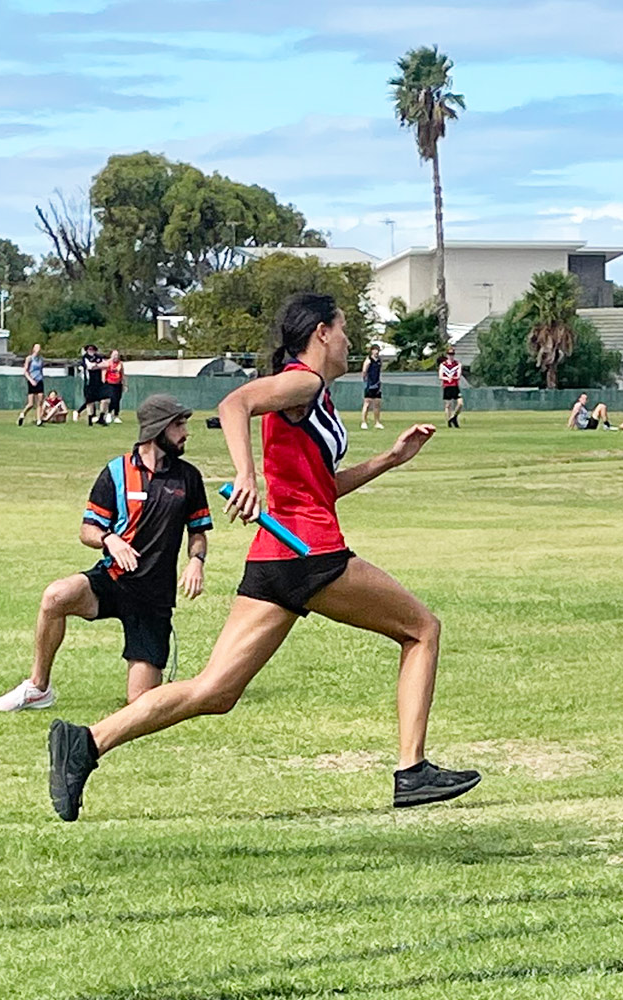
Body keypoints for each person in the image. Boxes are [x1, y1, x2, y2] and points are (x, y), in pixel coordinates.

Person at [45, 292, 480, 821]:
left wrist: (390, 458)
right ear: (321, 332)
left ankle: (85, 743)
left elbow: (321, 489)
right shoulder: (306, 380)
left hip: (276, 558)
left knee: (215, 690)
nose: (349, 342)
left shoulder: (310, 396)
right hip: (310, 552)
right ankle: (412, 771)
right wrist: (247, 475)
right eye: (344, 331)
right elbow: (234, 405)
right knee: (422, 630)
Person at [0, 394, 212, 713]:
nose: (186, 432)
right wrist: (110, 540)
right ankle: (39, 688)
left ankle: (186, 685)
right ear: (157, 430)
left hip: (153, 598)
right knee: (55, 596)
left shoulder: (188, 477)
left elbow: (198, 532)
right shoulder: (117, 471)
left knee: (140, 703)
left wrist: (196, 561)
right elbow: (87, 530)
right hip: (113, 580)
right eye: (179, 424)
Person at [75, 344, 106, 424]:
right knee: (90, 401)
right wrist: (97, 366)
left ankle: (101, 418)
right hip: (89, 382)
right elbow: (89, 366)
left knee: (105, 400)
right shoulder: (85, 357)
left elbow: (105, 365)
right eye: (89, 349)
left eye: (92, 349)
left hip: (99, 382)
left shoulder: (99, 357)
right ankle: (90, 419)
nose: (91, 350)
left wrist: (96, 365)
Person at [17, 344, 45, 427]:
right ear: (33, 349)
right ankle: (23, 414)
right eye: (37, 348)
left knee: (39, 402)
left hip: (39, 380)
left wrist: (41, 378)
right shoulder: (29, 358)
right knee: (31, 404)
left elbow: (41, 370)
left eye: (39, 348)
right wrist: (31, 380)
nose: (38, 350)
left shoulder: (40, 359)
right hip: (32, 381)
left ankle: (39, 420)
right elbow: (25, 371)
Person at [439, 344, 464, 428]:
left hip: (455, 385)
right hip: (447, 386)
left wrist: (453, 377)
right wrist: (447, 378)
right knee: (448, 405)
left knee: (460, 403)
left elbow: (458, 375)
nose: (451, 356)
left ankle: (454, 417)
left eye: (452, 354)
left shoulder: (457, 364)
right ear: (447, 355)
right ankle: (449, 421)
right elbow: (440, 376)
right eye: (449, 354)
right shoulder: (443, 365)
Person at [360, 344, 384, 430]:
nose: (376, 352)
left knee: (377, 404)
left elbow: (379, 372)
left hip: (377, 384)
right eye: (375, 350)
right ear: (372, 351)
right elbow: (364, 372)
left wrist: (379, 383)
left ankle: (377, 422)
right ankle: (364, 422)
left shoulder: (379, 361)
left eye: (378, 350)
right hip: (369, 385)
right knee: (367, 404)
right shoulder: (368, 360)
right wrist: (366, 382)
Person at [102, 350, 126, 425]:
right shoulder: (108, 363)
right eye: (114, 355)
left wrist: (124, 384)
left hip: (118, 383)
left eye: (117, 355)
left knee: (118, 399)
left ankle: (116, 415)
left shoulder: (120, 364)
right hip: (110, 383)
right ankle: (109, 413)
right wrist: (103, 382)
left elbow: (122, 374)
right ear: (111, 355)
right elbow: (104, 373)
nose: (116, 356)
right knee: (112, 398)